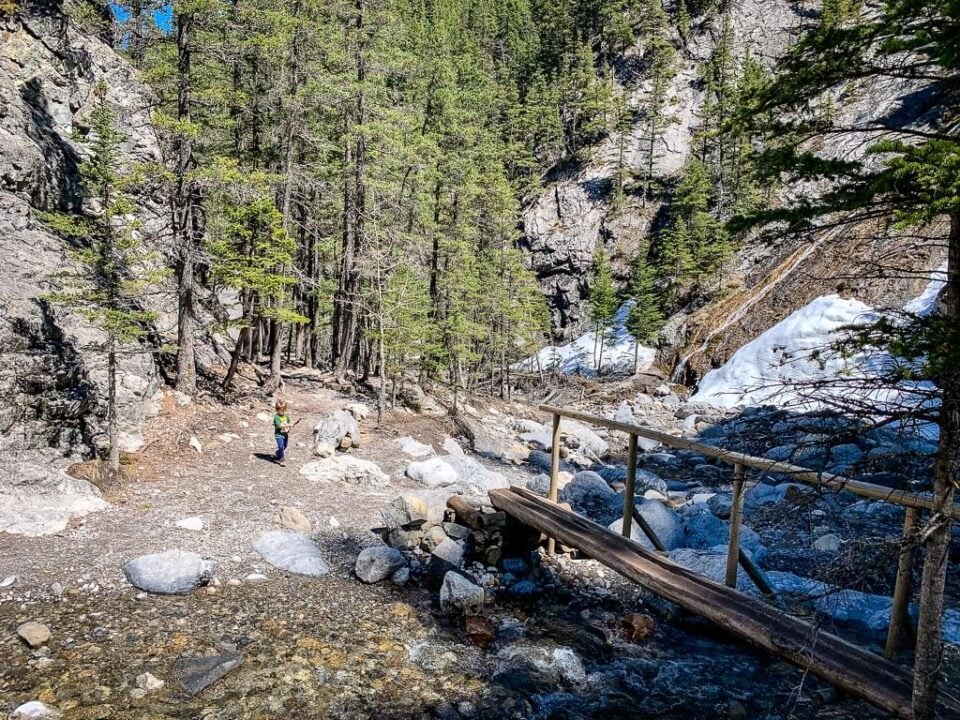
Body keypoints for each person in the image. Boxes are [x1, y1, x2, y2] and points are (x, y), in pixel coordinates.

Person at [273, 400, 292, 466]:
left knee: (285, 446)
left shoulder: (286, 416)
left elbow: (288, 423)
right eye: (280, 411)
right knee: (281, 446)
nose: (282, 412)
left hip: (285, 434)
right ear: (277, 410)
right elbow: (279, 425)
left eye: (283, 410)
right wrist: (287, 425)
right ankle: (281, 459)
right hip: (279, 435)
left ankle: (278, 453)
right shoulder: (276, 417)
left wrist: (289, 429)